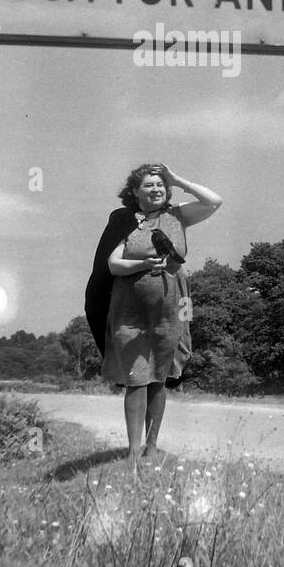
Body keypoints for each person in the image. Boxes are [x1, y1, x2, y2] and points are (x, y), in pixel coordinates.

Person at [88, 163, 221, 472]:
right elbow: (113, 265)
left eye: (161, 184)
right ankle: (134, 450)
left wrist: (178, 178)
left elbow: (214, 201)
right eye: (148, 185)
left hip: (171, 307)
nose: (156, 189)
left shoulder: (178, 216)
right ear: (135, 191)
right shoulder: (123, 221)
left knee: (159, 379)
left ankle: (151, 446)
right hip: (129, 310)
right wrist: (143, 264)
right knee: (136, 379)